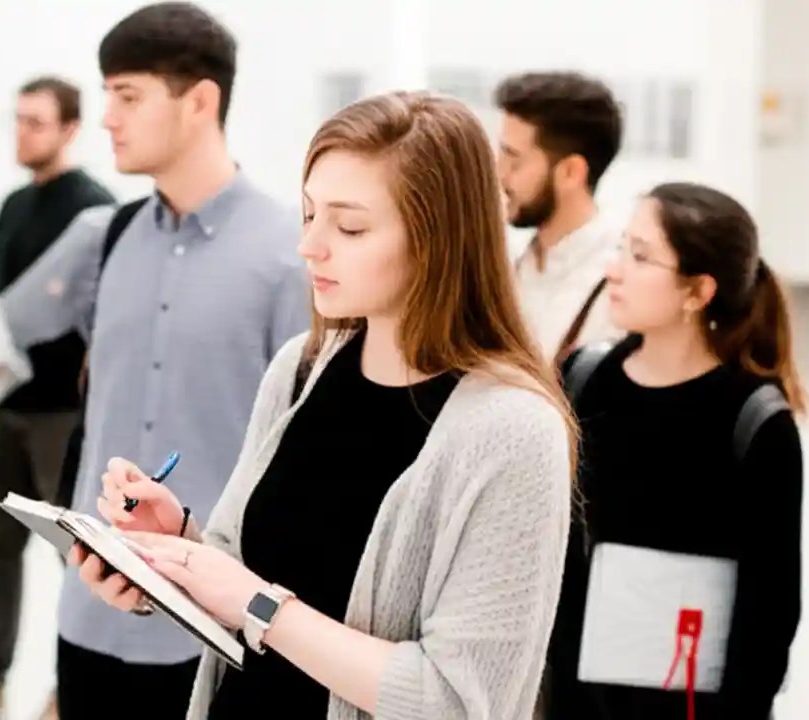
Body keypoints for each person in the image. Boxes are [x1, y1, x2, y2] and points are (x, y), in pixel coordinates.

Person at [76, 91, 576, 719]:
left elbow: (458, 701)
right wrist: (172, 550)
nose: (310, 246)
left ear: (438, 240)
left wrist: (259, 604)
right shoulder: (301, 370)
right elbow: (239, 581)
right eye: (309, 215)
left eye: (350, 227)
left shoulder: (513, 430)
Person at [0, 3, 310, 717]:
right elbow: (6, 335)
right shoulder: (105, 237)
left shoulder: (289, 254)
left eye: (128, 96)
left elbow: (296, 457)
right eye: (106, 95)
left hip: (208, 631)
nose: (107, 118)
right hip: (89, 610)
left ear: (200, 102)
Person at [544, 183, 806, 719]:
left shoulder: (755, 421)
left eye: (640, 257)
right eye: (621, 248)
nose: (614, 270)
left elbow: (769, 614)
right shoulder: (584, 380)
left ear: (698, 291)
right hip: (576, 705)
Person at [0, 76, 115, 717]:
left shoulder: (96, 209)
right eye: (17, 119)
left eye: (36, 122)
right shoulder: (13, 204)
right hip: (8, 406)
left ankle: (75, 687)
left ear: (70, 129)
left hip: (63, 416)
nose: (22, 133)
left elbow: (103, 316)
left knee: (76, 558)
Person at [494, 71, 626, 364]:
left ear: (570, 172)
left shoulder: (620, 284)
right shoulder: (509, 263)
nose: (499, 174)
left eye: (514, 161)